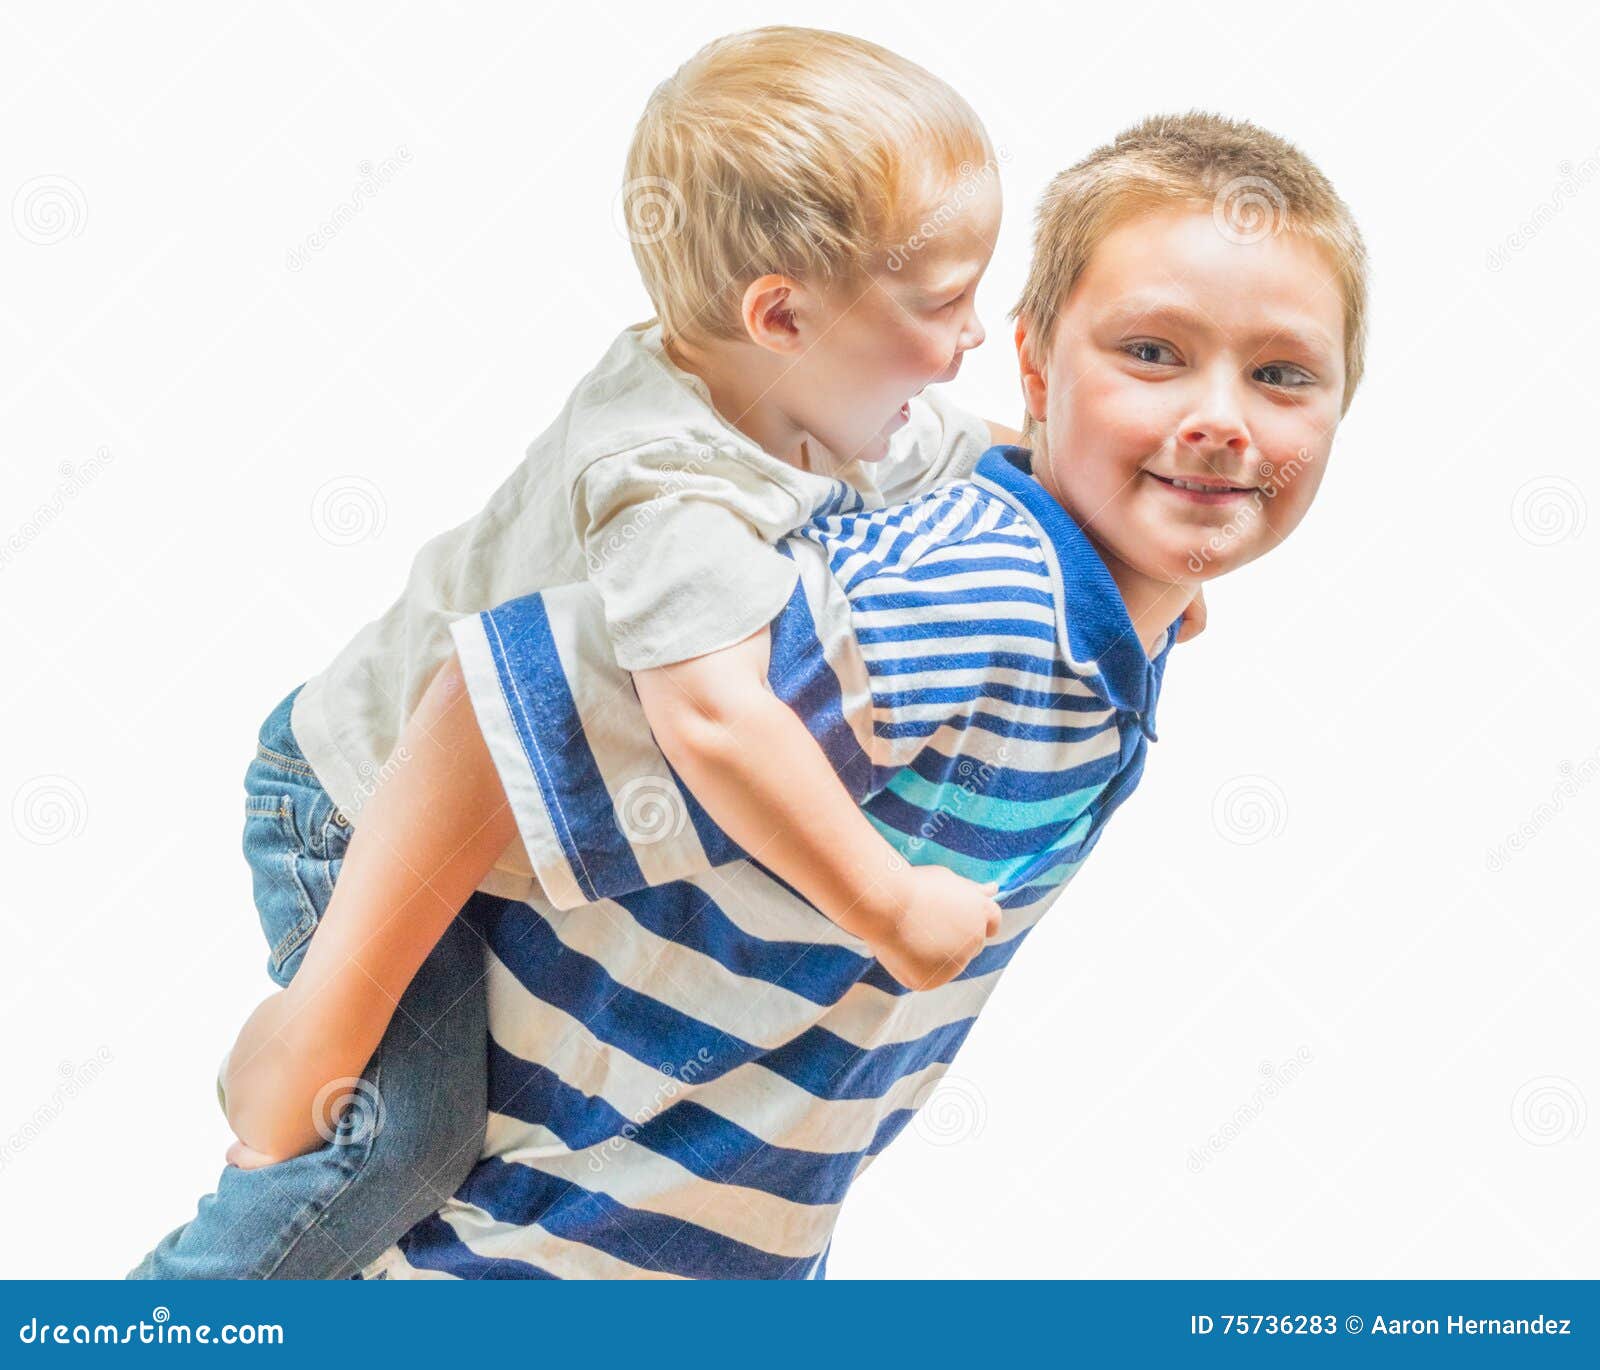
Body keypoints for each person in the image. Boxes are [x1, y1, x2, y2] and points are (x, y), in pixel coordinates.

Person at [175, 109, 1366, 1279]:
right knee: (384, 1141)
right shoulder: (959, 601)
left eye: (1281, 373)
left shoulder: (1048, 575)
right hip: (396, 921)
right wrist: (331, 1018)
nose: (1218, 419)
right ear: (1039, 364)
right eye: (1151, 353)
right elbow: (494, 705)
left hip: (663, 1238)